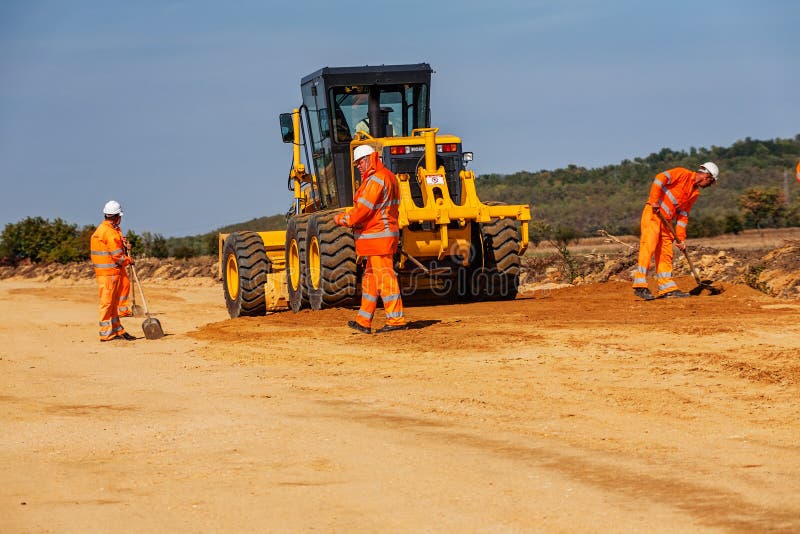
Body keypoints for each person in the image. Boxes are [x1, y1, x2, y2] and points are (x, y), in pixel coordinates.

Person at [334, 145, 407, 334]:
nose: (358, 166)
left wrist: (344, 219)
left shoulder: (376, 180)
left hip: (378, 238)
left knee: (384, 277)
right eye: (356, 163)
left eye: (360, 162)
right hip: (382, 236)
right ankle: (363, 321)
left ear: (370, 158)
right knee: (371, 279)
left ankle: (396, 319)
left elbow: (363, 209)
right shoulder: (389, 177)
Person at [632, 162, 719, 300]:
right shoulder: (681, 173)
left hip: (667, 222)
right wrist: (654, 200)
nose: (709, 185)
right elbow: (659, 178)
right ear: (706, 176)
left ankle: (667, 288)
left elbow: (683, 216)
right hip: (653, 214)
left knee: (666, 253)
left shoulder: (694, 194)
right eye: (711, 182)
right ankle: (640, 284)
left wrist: (681, 239)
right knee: (648, 247)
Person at [90, 200, 136, 341]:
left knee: (113, 304)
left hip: (110, 273)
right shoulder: (109, 233)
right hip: (108, 274)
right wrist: (129, 260)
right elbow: (118, 257)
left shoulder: (106, 230)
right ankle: (106, 333)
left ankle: (117, 329)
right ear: (116, 216)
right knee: (108, 303)